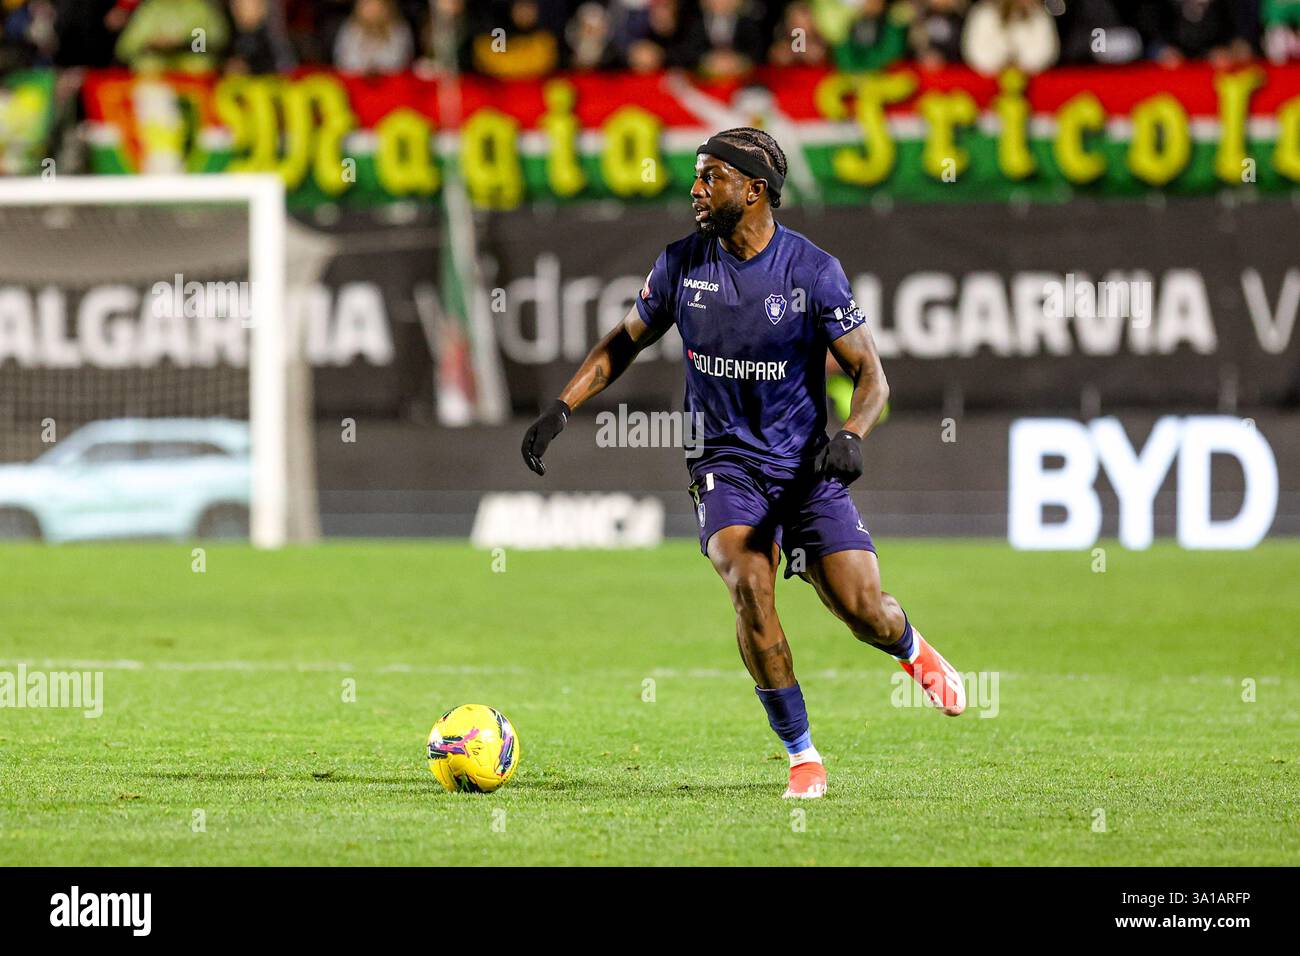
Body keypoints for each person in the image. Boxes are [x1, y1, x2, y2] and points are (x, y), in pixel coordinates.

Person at [521, 127, 967, 800]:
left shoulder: (812, 271)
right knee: (748, 581)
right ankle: (803, 755)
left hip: (804, 468)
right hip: (722, 464)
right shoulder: (681, 265)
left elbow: (872, 375)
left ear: (754, 190)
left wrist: (853, 434)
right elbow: (623, 342)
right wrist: (562, 406)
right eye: (697, 176)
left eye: (710, 178)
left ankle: (911, 649)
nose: (695, 190)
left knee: (862, 609)